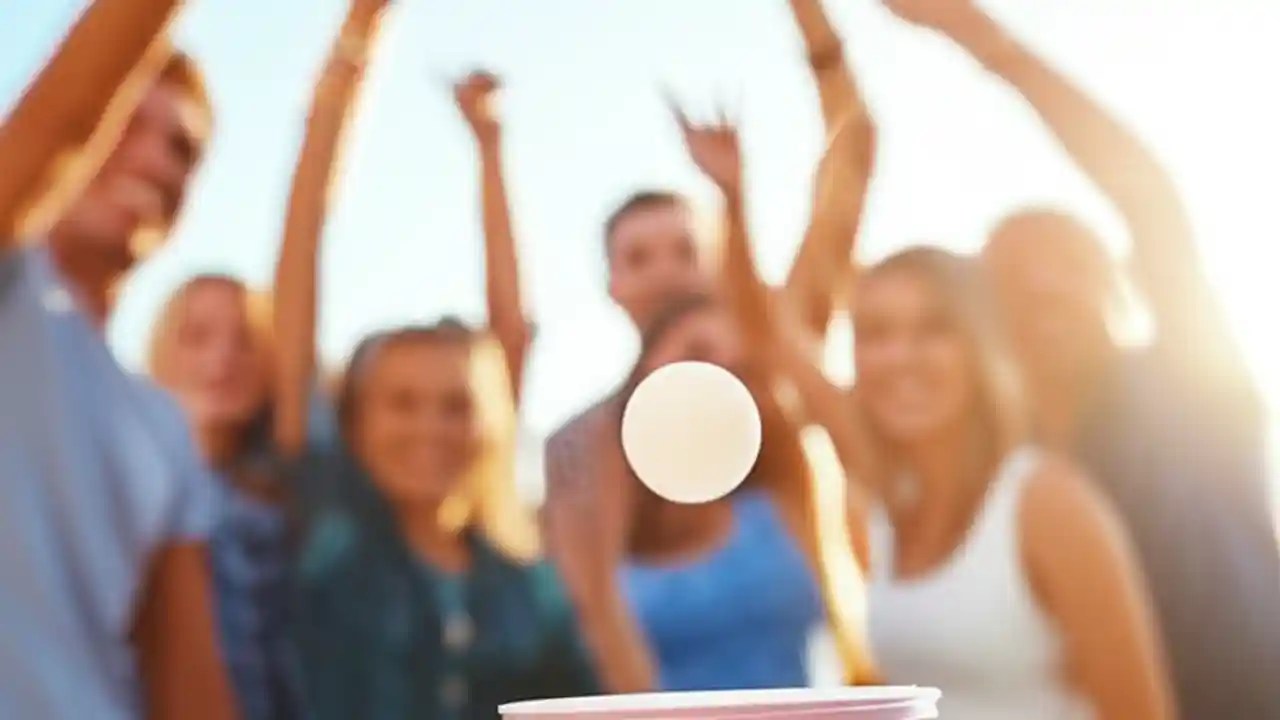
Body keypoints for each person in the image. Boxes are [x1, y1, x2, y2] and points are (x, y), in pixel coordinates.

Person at [883, 1, 1280, 716]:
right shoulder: (1003, 469)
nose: (1041, 284)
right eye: (1010, 274)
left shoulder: (1194, 386)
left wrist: (985, 41)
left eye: (1069, 259)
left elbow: (1147, 196)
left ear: (1121, 284)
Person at [544, 0, 876, 691]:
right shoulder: (586, 445)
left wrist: (809, 18)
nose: (665, 271)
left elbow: (851, 168)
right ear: (611, 286)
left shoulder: (773, 388)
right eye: (639, 257)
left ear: (718, 255)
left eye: (684, 249)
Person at [284, 65, 598, 719]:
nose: (431, 428)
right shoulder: (328, 533)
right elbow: (301, 258)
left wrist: (490, 145)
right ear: (355, 420)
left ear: (493, 422)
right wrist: (354, 49)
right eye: (401, 403)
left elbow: (511, 331)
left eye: (458, 406)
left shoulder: (529, 588)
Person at [143, 2, 390, 717]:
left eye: (245, 339)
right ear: (157, 353)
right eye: (196, 336)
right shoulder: (115, 465)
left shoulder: (285, 476)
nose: (222, 357)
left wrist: (357, 42)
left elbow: (304, 229)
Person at [0, 2, 237, 718]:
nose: (155, 160)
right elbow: (58, 123)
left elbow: (189, 688)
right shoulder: (15, 290)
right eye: (127, 123)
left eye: (183, 148)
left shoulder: (162, 426)